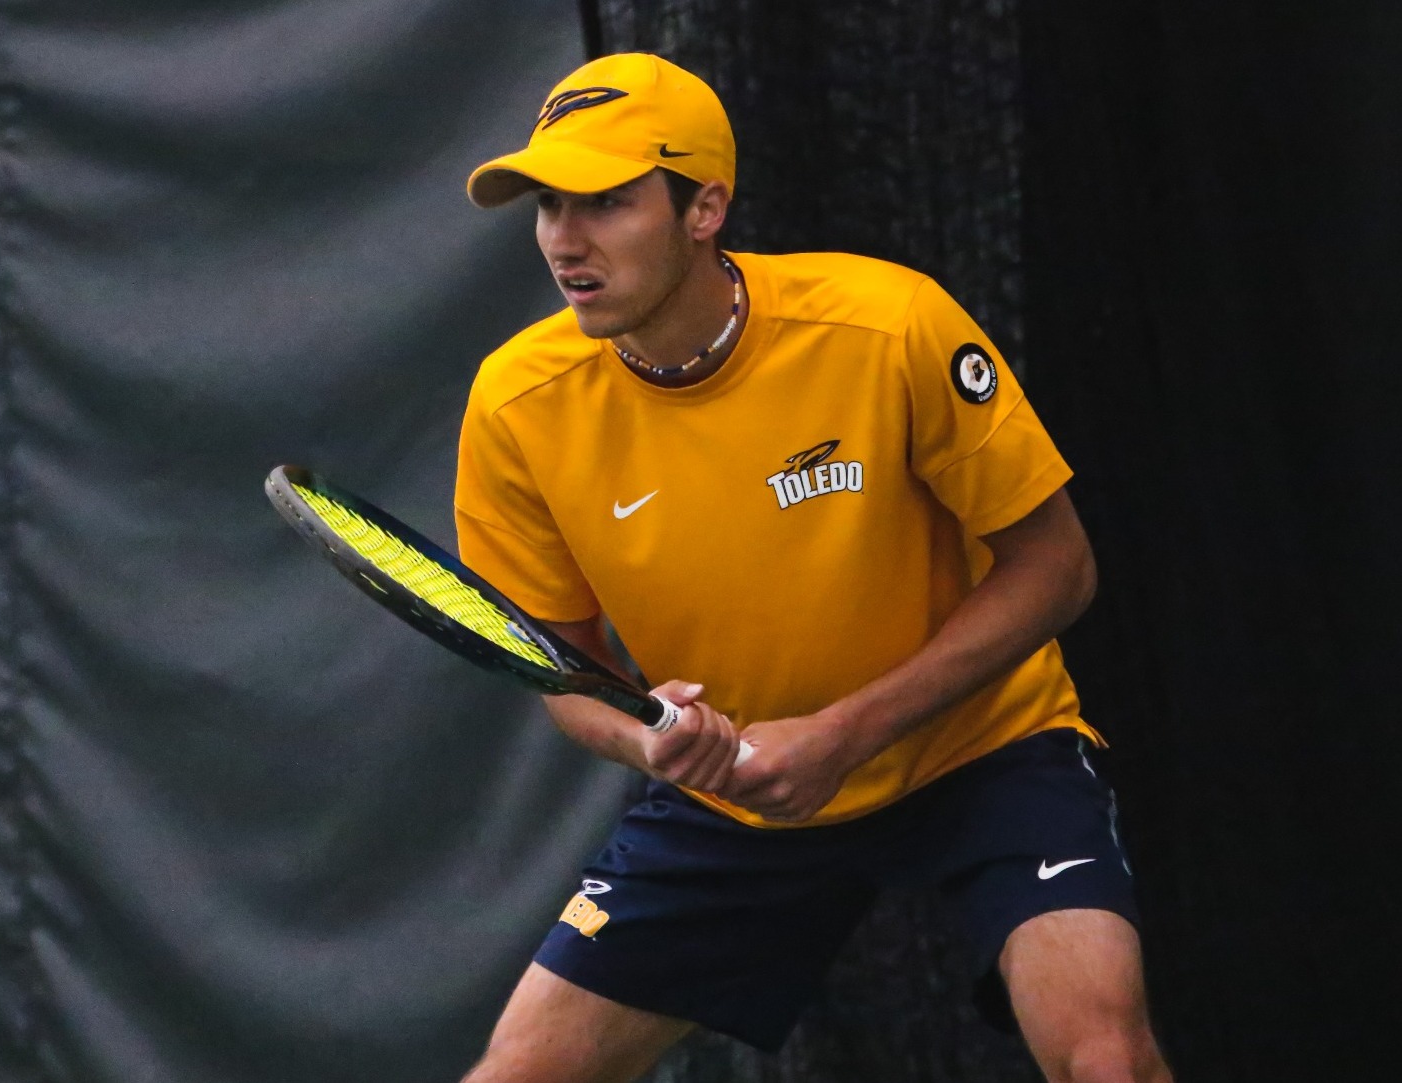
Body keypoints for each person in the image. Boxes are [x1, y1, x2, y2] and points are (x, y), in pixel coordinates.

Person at [451, 53, 1174, 1083]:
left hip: (979, 747)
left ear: (704, 208)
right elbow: (560, 674)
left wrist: (844, 733)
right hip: (734, 796)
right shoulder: (516, 405)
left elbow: (1056, 567)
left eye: (606, 202)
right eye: (548, 206)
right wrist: (651, 742)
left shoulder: (889, 328)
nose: (565, 242)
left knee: (1107, 1061)